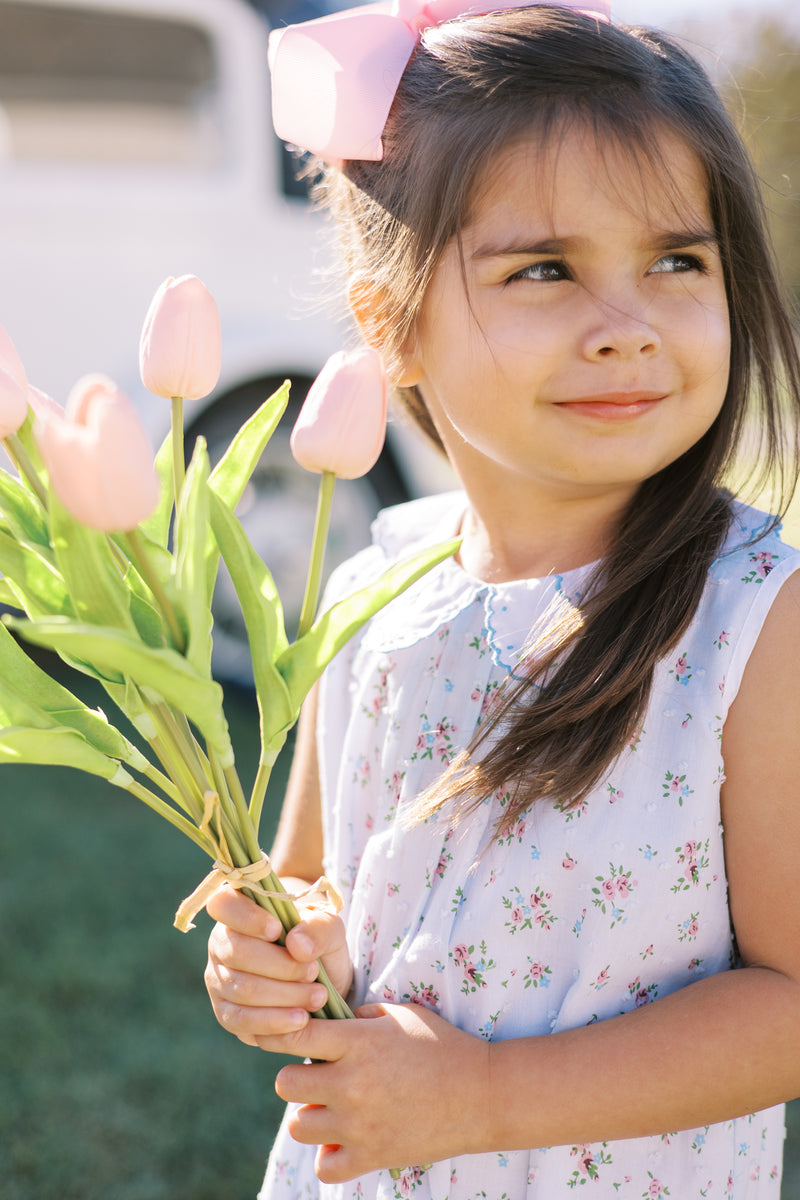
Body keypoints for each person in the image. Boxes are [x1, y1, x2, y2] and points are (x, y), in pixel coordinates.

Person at [204, 2, 800, 1196]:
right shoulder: (373, 590)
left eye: (675, 260)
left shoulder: (750, 623)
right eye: (543, 269)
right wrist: (263, 959)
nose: (625, 328)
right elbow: (311, 884)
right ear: (390, 325)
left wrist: (483, 1097)